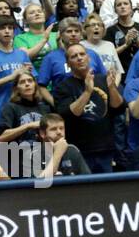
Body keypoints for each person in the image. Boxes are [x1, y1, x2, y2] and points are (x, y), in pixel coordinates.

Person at [52, 43, 123, 173]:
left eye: (82, 54)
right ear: (68, 64)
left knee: (106, 190)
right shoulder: (62, 87)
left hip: (105, 148)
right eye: (74, 56)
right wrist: (87, 92)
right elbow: (69, 114)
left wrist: (112, 88)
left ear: (89, 58)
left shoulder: (103, 79)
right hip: (80, 150)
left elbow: (118, 107)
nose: (79, 58)